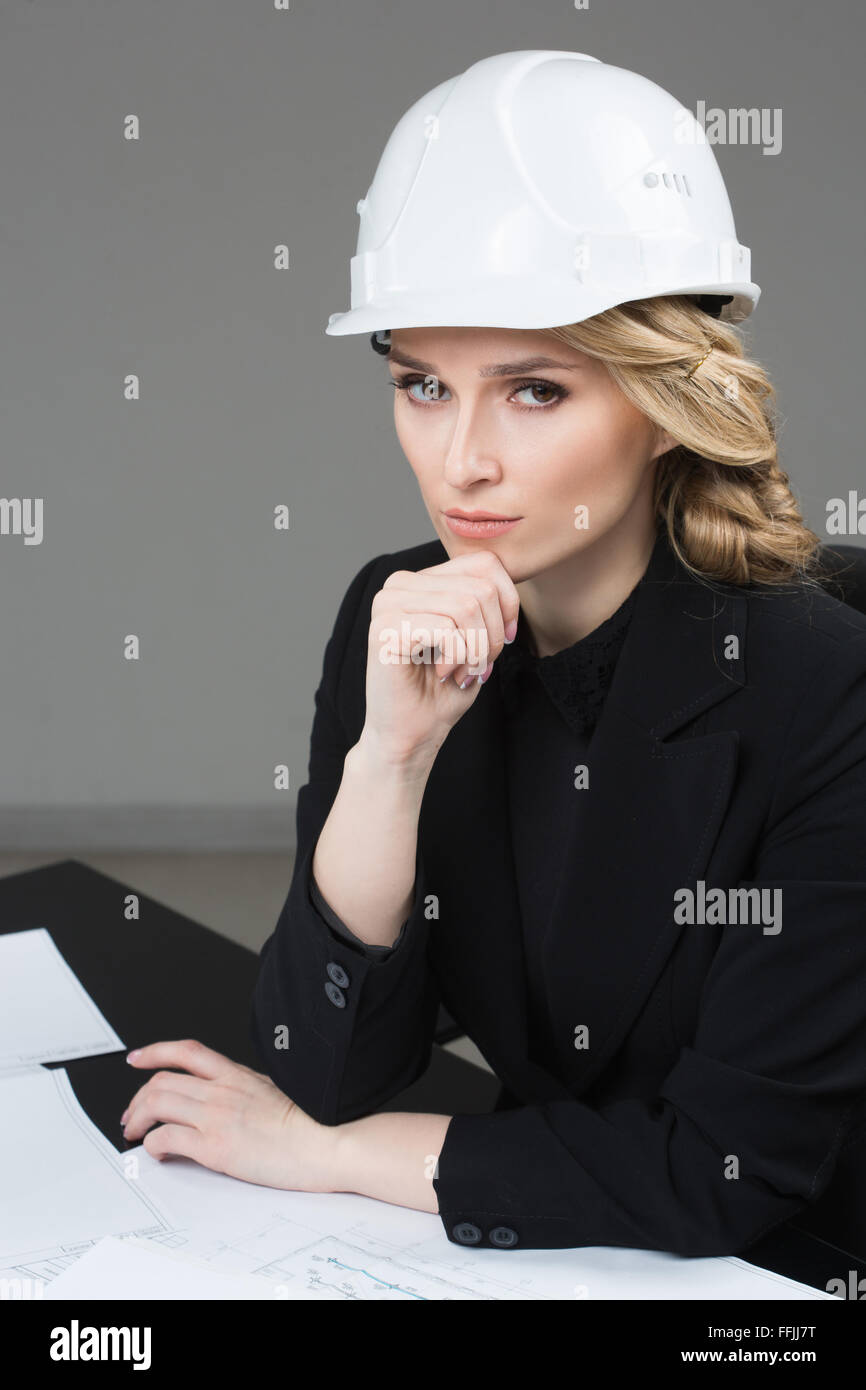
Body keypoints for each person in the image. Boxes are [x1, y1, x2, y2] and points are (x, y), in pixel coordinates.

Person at [122, 51, 866, 1261]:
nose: (458, 459)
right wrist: (389, 762)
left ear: (664, 400)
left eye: (531, 392)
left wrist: (324, 1159)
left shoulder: (823, 691)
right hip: (543, 1245)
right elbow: (327, 1063)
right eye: (421, 383)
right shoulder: (397, 607)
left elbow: (726, 1172)